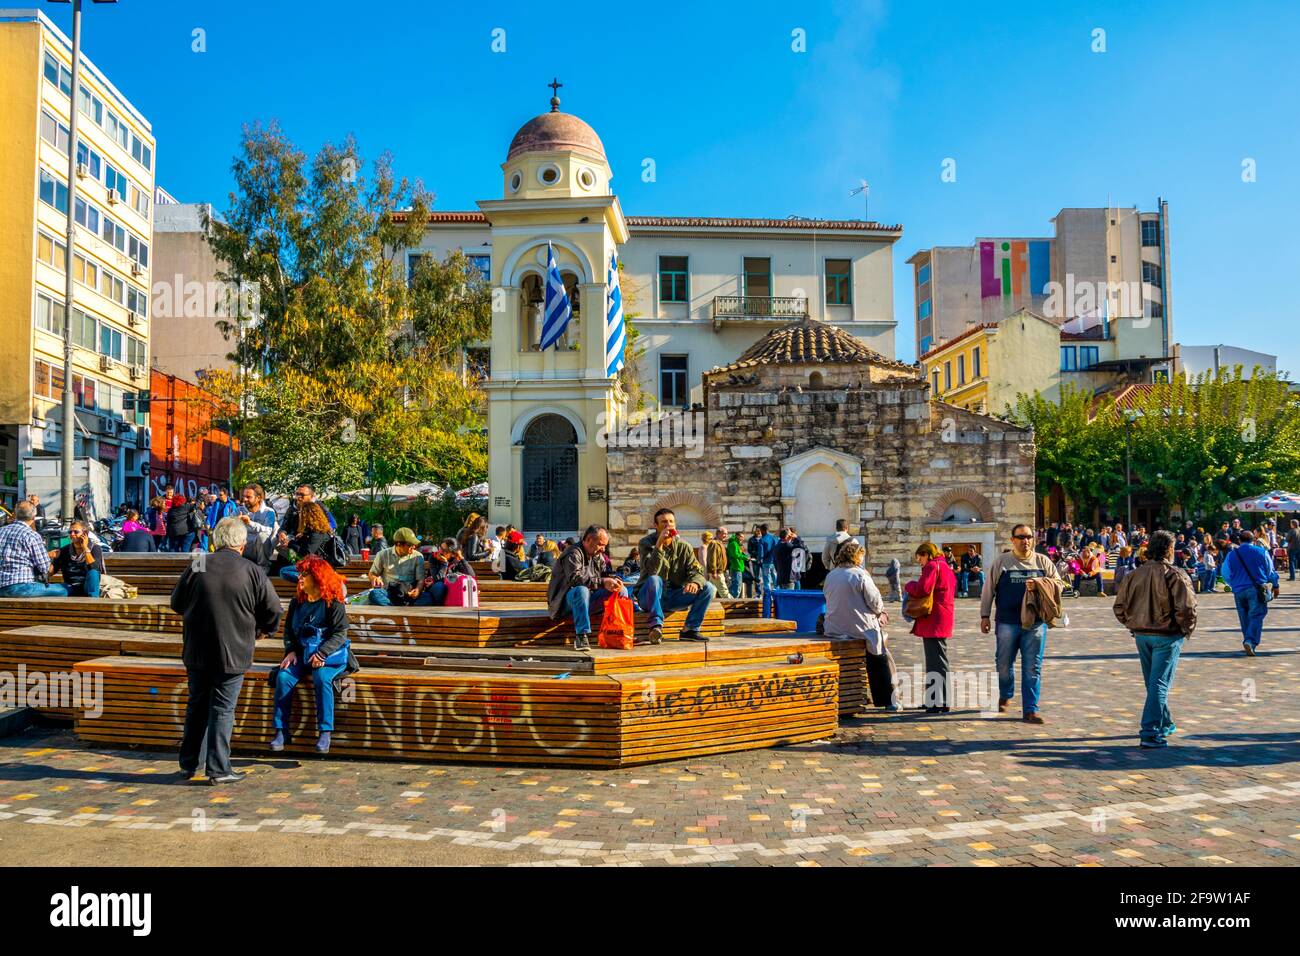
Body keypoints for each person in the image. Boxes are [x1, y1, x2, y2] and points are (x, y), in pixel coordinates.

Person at [170, 517, 282, 784]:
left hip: (196, 649)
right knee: (222, 708)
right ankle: (219, 769)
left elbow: (176, 602)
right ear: (242, 543)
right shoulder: (251, 569)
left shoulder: (198, 563)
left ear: (216, 541)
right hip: (234, 650)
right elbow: (274, 609)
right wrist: (265, 629)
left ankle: (188, 764)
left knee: (196, 705)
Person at [1113, 530, 1198, 749]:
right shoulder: (1174, 574)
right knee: (1159, 684)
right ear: (1169, 549)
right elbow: (1187, 608)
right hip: (1166, 635)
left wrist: (1132, 623)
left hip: (1142, 634)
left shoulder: (1134, 575)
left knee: (1154, 683)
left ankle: (1165, 722)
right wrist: (1183, 630)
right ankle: (1150, 732)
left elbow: (1119, 607)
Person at [270, 555, 358, 755]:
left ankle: (325, 732)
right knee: (283, 676)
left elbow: (340, 634)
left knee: (321, 677)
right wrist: (291, 650)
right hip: (302, 654)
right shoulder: (297, 602)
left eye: (305, 574)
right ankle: (281, 730)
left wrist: (322, 654)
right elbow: (289, 633)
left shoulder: (333, 603)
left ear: (318, 577)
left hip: (331, 656)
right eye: (300, 574)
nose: (299, 577)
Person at [980, 524, 1063, 724]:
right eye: (1021, 537)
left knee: (1032, 667)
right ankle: (1006, 693)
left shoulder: (1043, 562)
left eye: (1028, 537)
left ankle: (1030, 709)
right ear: (1013, 540)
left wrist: (1041, 583)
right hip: (1007, 621)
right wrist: (985, 616)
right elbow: (988, 590)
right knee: (1003, 663)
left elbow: (1060, 584)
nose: (1025, 540)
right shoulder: (1002, 562)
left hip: (1035, 623)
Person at [823, 541, 900, 710]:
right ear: (857, 557)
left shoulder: (831, 575)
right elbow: (876, 603)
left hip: (834, 628)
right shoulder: (860, 575)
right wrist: (882, 614)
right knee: (880, 656)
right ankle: (888, 700)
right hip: (859, 629)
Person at [637, 508, 716, 643]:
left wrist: (695, 582)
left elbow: (697, 571)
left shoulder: (684, 547)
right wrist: (659, 544)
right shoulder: (645, 543)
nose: (668, 525)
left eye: (671, 522)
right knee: (655, 579)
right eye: (664, 522)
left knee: (709, 588)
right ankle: (656, 626)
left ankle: (690, 629)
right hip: (649, 597)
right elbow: (651, 570)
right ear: (656, 526)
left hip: (673, 596)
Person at [546, 525, 629, 651]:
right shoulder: (573, 553)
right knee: (581, 589)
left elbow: (605, 574)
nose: (603, 549)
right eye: (601, 544)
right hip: (563, 604)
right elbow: (575, 579)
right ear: (589, 539)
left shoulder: (598, 556)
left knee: (622, 590)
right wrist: (603, 582)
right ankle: (581, 635)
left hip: (587, 600)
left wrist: (615, 580)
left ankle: (619, 631)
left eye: (605, 545)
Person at [904, 542, 956, 713]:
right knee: (937, 660)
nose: (919, 561)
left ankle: (939, 702)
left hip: (934, 618)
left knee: (936, 661)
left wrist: (909, 585)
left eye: (920, 557)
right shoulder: (945, 566)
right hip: (942, 616)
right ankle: (935, 700)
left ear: (927, 554)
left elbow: (922, 589)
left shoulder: (932, 566)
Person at [1222, 531, 1279, 656]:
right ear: (1253, 540)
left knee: (1244, 617)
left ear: (1239, 540)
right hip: (1256, 588)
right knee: (1256, 615)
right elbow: (1270, 572)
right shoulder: (1261, 552)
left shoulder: (1232, 554)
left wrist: (1234, 584)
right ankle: (1250, 641)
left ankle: (1248, 640)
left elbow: (1225, 573)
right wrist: (1275, 585)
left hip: (1238, 591)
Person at [0, 501, 67, 597]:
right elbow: (44, 567)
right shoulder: (31, 535)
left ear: (16, 514)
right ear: (34, 516)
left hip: (1, 586)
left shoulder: (1, 531)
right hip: (22, 586)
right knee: (64, 589)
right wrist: (50, 556)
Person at [366, 527, 426, 605]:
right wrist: (375, 578)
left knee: (428, 598)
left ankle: (392, 608)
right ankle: (395, 609)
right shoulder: (383, 554)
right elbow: (372, 574)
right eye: (410, 545)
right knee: (374, 594)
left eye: (414, 544)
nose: (413, 547)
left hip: (409, 593)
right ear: (398, 544)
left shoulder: (418, 556)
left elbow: (420, 579)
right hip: (390, 593)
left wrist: (418, 590)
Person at [276, 501, 335, 580]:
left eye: (301, 513)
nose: (299, 515)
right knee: (282, 553)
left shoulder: (318, 533)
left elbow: (306, 553)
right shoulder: (311, 531)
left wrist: (291, 543)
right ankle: (308, 576)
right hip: (309, 563)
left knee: (284, 571)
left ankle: (312, 580)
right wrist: (299, 539)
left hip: (318, 566)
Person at [49, 521, 104, 597]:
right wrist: (49, 557)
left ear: (85, 534)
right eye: (70, 532)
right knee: (48, 589)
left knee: (93, 573)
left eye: (76, 532)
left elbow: (94, 567)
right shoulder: (64, 550)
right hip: (70, 587)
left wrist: (85, 548)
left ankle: (93, 603)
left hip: (87, 586)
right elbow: (50, 572)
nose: (72, 534)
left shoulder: (95, 548)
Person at [421, 538, 475, 606]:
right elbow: (438, 579)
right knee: (440, 586)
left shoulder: (457, 560)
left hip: (453, 591)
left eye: (444, 550)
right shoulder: (434, 557)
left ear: (453, 554)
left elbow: (472, 576)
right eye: (440, 548)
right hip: (436, 590)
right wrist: (444, 563)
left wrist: (461, 558)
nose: (440, 551)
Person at [237, 483, 278, 571]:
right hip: (243, 548)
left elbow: (268, 531)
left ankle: (263, 567)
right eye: (244, 496)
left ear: (258, 498)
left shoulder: (269, 512)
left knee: (263, 536)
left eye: (248, 497)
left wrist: (250, 523)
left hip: (260, 550)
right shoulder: (239, 510)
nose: (244, 499)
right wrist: (234, 522)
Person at [704, 528, 732, 599]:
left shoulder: (719, 543)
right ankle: (734, 607)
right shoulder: (714, 543)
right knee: (724, 592)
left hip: (719, 571)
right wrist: (714, 571)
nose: (726, 535)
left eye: (726, 534)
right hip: (717, 572)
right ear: (718, 533)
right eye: (724, 533)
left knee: (711, 592)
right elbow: (712, 558)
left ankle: (708, 606)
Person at [725, 527, 747, 600]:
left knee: (737, 584)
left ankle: (733, 599)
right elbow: (735, 555)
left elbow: (739, 553)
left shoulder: (737, 544)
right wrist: (745, 558)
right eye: (741, 537)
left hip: (738, 566)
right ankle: (733, 600)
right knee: (736, 585)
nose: (743, 539)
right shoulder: (733, 544)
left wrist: (744, 554)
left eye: (743, 537)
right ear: (737, 536)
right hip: (735, 566)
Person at [1286, 519, 1300, 583]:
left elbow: (1287, 539)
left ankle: (1292, 577)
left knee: (1291, 563)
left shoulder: (1292, 531)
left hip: (1292, 548)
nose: (1290, 524)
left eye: (1291, 523)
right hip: (1299, 548)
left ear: (1293, 524)